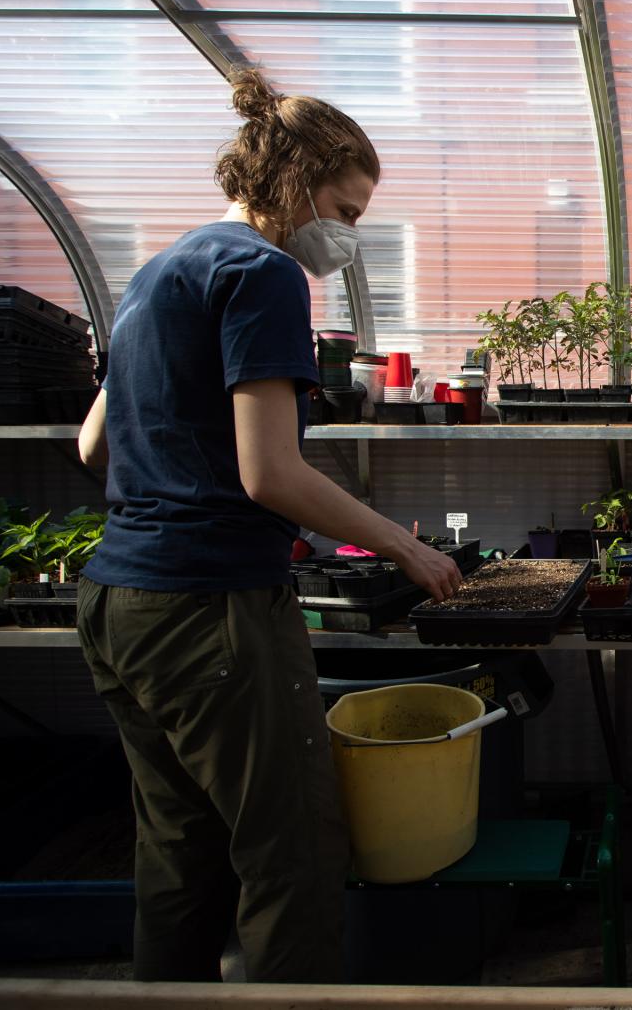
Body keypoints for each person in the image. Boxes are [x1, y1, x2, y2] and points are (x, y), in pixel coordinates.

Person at [75, 69, 461, 983]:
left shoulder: (158, 272)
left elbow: (96, 444)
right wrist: (406, 545)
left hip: (117, 603)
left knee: (180, 852)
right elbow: (271, 473)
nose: (348, 237)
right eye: (345, 209)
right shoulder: (262, 272)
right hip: (209, 610)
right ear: (293, 180)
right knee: (291, 853)